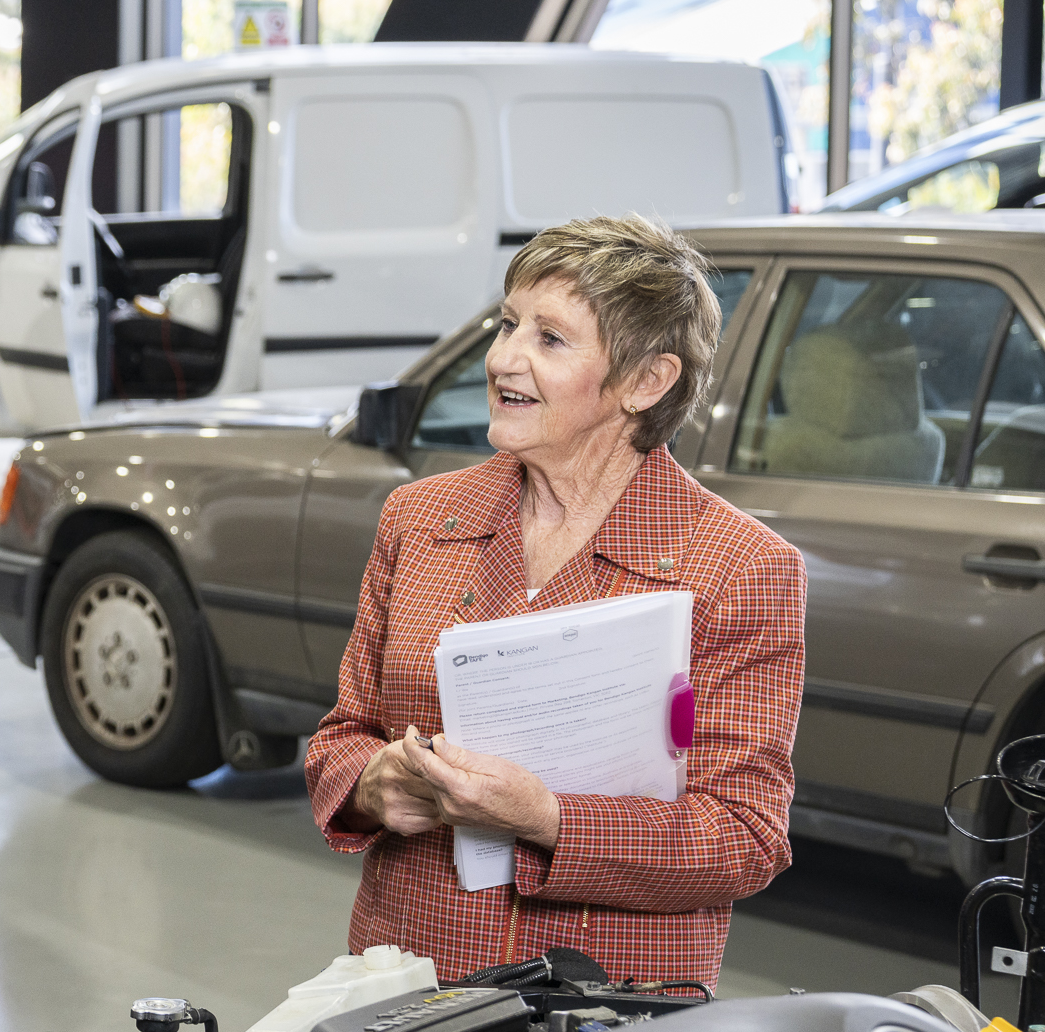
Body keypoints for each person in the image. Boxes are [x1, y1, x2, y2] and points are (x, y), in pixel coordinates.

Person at [303, 215, 807, 990]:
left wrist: (546, 817)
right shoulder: (420, 519)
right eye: (508, 324)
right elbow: (341, 736)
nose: (502, 356)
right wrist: (372, 783)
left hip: (604, 1006)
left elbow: (742, 835)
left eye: (550, 338)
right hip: (405, 981)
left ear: (646, 381)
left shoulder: (739, 566)